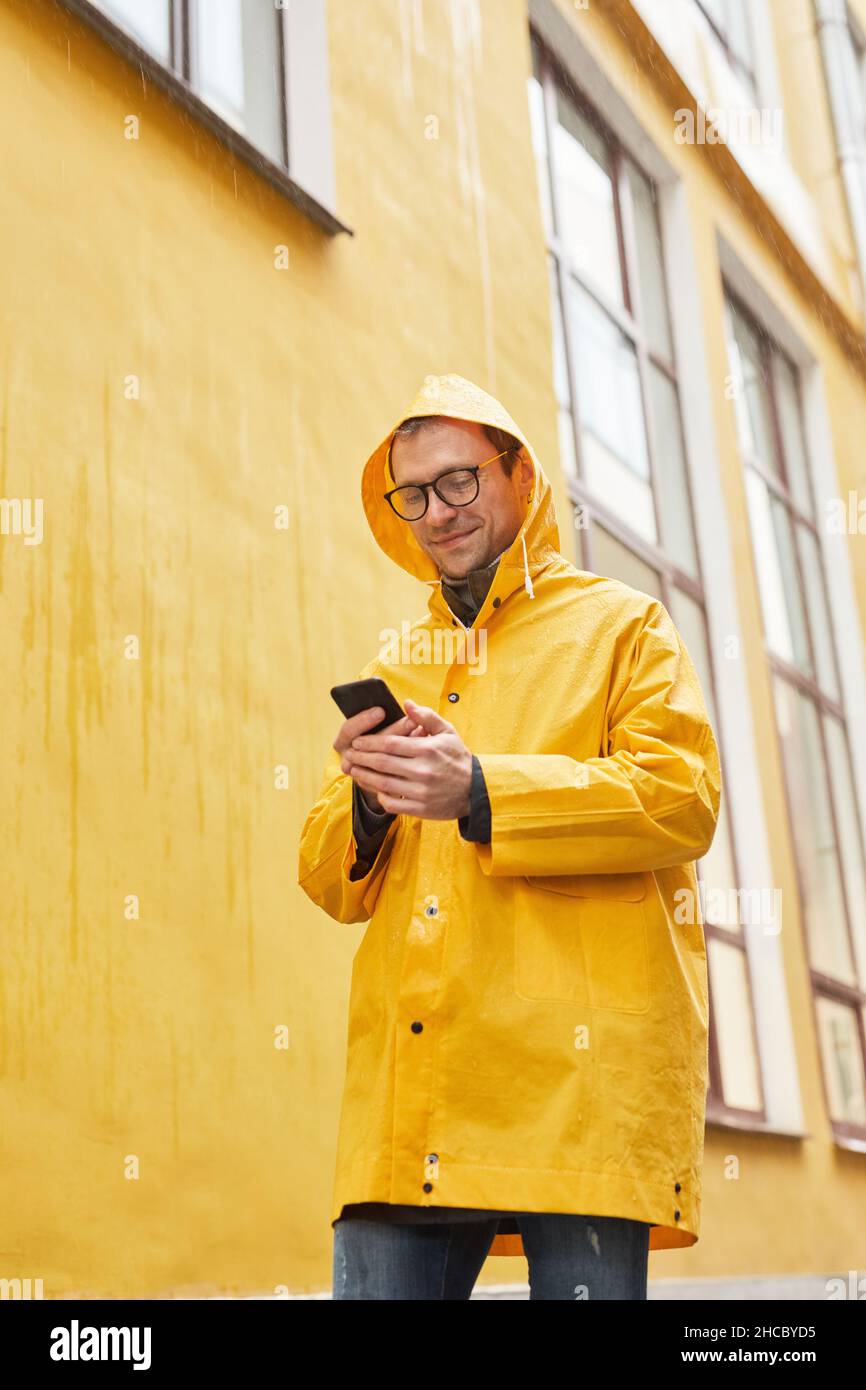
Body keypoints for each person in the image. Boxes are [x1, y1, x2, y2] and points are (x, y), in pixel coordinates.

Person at [298, 373, 722, 1300]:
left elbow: (680, 797)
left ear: (519, 475)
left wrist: (481, 789)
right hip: (417, 1094)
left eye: (460, 480)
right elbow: (331, 884)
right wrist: (370, 801)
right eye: (412, 494)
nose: (437, 512)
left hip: (581, 1095)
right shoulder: (397, 662)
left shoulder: (625, 626)